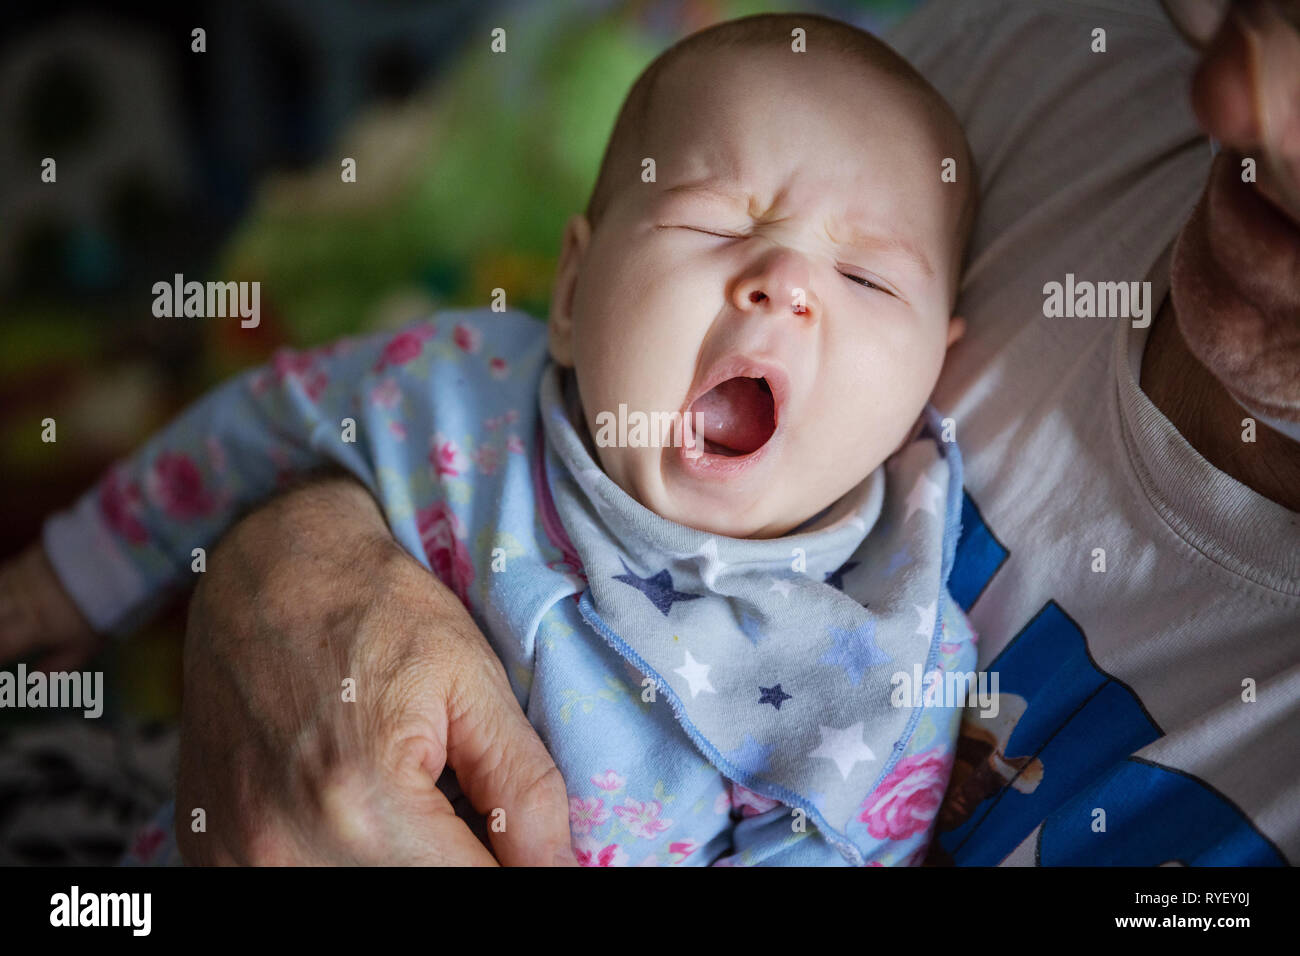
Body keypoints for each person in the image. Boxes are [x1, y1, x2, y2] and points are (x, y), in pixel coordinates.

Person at [3, 0, 1296, 866]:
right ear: (571, 288)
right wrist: (69, 586)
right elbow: (246, 430)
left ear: (930, 382)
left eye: (867, 284)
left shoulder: (888, 649)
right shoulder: (460, 397)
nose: (783, 282)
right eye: (717, 224)